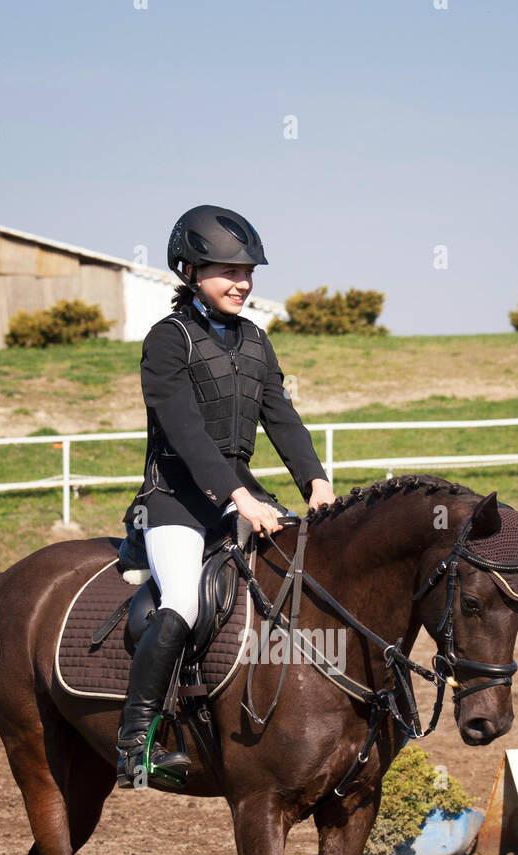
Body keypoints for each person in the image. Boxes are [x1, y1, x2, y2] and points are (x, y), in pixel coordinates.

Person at [117, 204, 337, 788]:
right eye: (226, 271)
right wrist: (238, 495)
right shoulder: (168, 342)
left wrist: (314, 481)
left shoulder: (256, 341)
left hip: (244, 492)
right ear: (189, 270)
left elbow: (282, 418)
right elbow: (185, 432)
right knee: (184, 602)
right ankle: (136, 743)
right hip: (175, 501)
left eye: (248, 273)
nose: (241, 283)